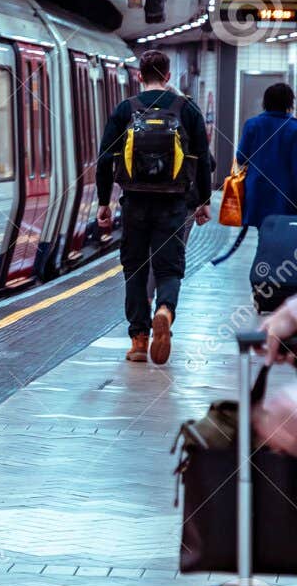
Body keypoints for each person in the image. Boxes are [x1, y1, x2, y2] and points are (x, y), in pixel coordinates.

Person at [96, 49, 212, 364]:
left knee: (135, 269)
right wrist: (203, 202)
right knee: (169, 268)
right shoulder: (186, 109)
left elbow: (105, 158)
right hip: (173, 203)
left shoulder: (125, 109)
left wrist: (103, 202)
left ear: (139, 76)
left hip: (134, 202)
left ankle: (138, 340)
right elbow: (201, 159)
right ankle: (165, 311)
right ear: (168, 76)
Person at [236, 82, 297, 229]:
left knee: (263, 234)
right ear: (289, 103)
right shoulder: (294, 128)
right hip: (287, 194)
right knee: (284, 238)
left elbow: (241, 158)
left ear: (266, 102)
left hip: (257, 190)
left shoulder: (252, 125)